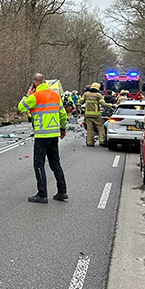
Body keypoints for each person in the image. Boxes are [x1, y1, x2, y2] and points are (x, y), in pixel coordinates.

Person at [18, 73, 69, 203]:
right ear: (45, 82)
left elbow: (21, 107)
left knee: (39, 164)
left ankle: (42, 194)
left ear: (34, 83)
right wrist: (62, 129)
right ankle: (62, 191)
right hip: (54, 135)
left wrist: (28, 94)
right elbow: (63, 114)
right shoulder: (55, 95)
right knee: (55, 163)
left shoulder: (35, 96)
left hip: (42, 135)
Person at [81, 82, 110, 147]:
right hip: (96, 115)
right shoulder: (98, 95)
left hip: (88, 115)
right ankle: (102, 140)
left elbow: (80, 101)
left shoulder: (86, 94)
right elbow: (103, 104)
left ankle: (90, 142)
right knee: (100, 127)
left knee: (90, 129)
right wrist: (111, 105)